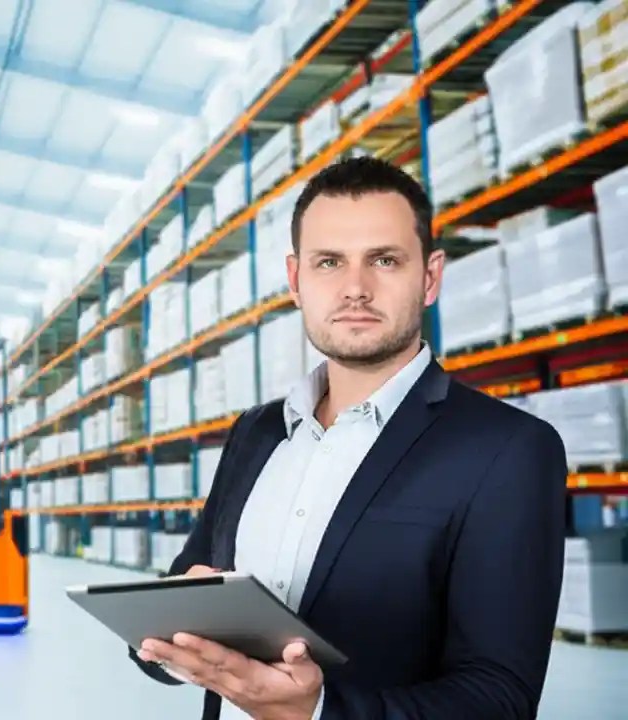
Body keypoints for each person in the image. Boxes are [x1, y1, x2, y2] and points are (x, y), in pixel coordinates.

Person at [129, 156, 569, 719]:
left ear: (430, 277)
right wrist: (167, 643)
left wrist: (317, 712)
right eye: (329, 262)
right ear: (296, 280)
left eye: (384, 260)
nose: (355, 288)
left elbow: (499, 698)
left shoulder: (507, 449)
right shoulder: (256, 434)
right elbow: (186, 584)